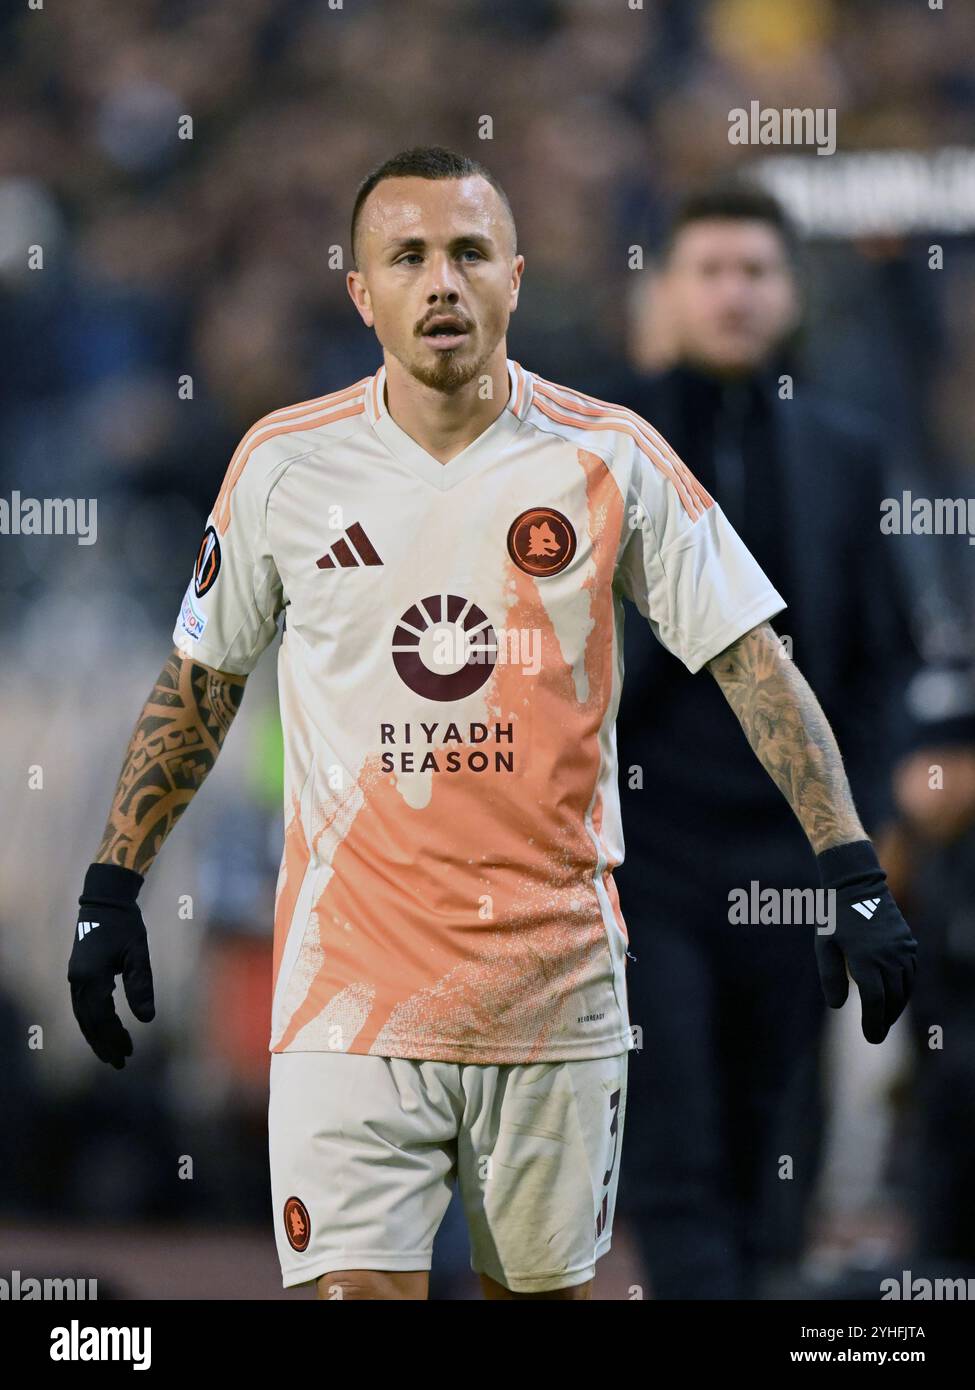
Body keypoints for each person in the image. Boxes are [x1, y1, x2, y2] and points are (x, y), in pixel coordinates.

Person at [67, 147, 917, 1302]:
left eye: (469, 252)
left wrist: (853, 866)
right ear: (361, 291)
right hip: (346, 993)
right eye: (407, 256)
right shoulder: (282, 464)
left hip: (553, 988)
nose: (442, 282)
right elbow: (199, 684)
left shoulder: (609, 456)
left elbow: (755, 665)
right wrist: (112, 886)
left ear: (514, 275)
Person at [614, 182, 921, 1298]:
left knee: (781, 1138)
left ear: (788, 296)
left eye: (756, 272)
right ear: (670, 291)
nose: (734, 293)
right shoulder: (599, 442)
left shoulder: (843, 452)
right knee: (677, 1129)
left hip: (795, 853)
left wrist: (867, 835)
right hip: (645, 851)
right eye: (711, 271)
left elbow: (884, 656)